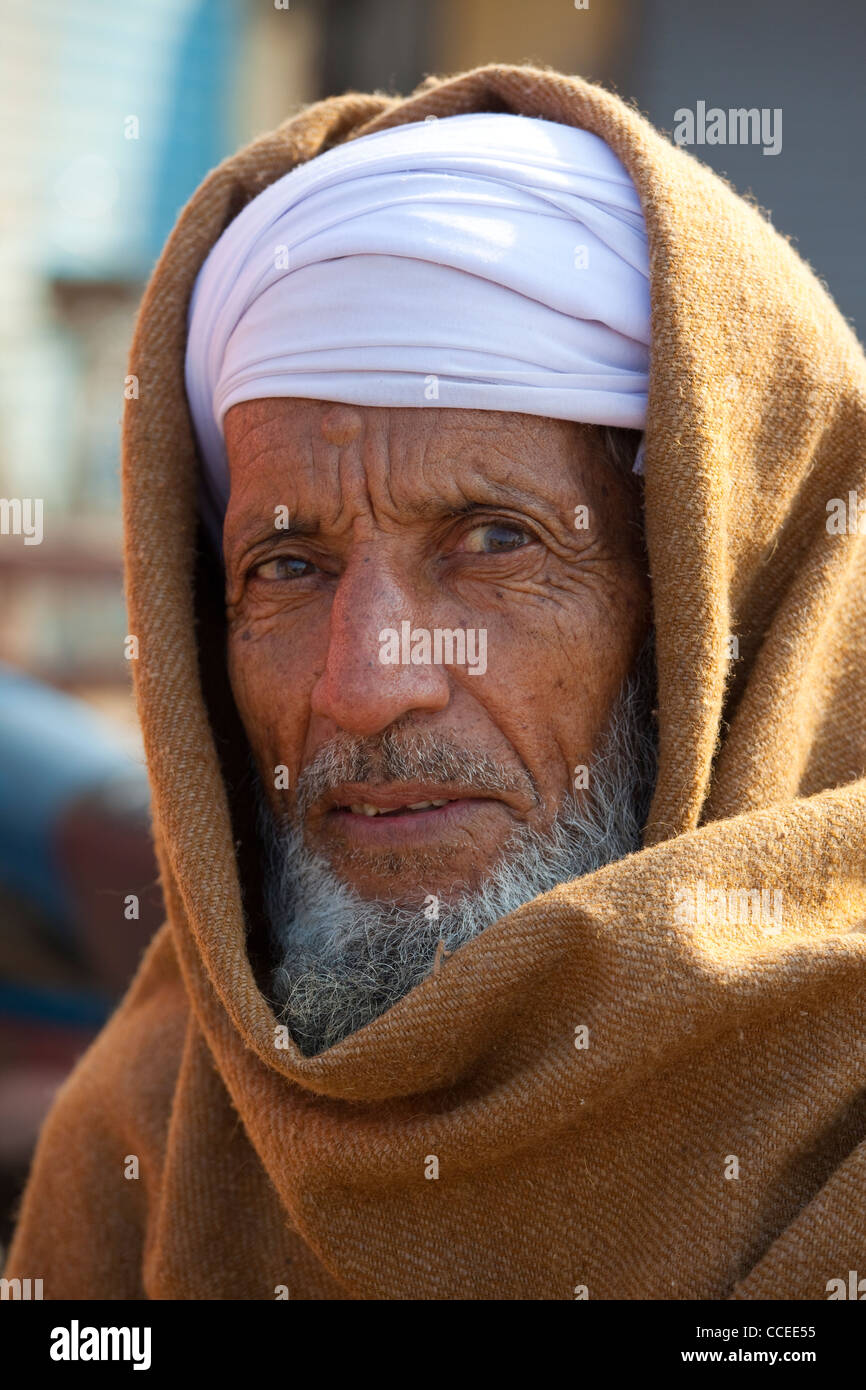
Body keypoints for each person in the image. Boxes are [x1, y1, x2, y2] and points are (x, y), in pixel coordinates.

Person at [5, 63, 866, 1301]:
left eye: (495, 541)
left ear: (713, 595)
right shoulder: (148, 1137)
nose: (364, 688)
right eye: (287, 564)